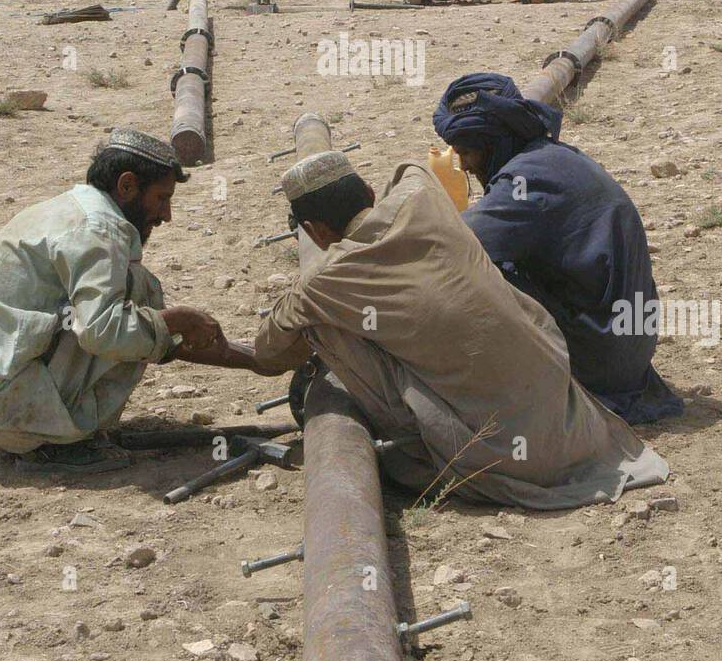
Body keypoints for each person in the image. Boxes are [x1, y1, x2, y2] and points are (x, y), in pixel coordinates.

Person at [193, 150, 669, 511]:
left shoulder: (323, 282)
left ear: (314, 231)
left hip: (506, 454)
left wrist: (210, 349)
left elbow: (271, 353)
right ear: (369, 196)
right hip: (571, 421)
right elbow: (410, 167)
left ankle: (423, 450)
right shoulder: (421, 197)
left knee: (326, 328)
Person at [0, 129, 224, 472]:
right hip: (3, 408)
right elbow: (104, 332)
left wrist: (253, 360)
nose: (166, 215)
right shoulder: (99, 229)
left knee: (132, 308)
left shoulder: (70, 209)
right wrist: (178, 320)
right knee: (136, 293)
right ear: (127, 186)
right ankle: (57, 441)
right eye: (162, 199)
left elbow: (161, 341)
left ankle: (50, 428)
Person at [433, 72, 682, 424]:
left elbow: (451, 248)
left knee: (472, 276)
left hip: (605, 360)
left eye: (467, 152)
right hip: (629, 348)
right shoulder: (548, 158)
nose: (463, 166)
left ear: (493, 143)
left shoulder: (527, 180)